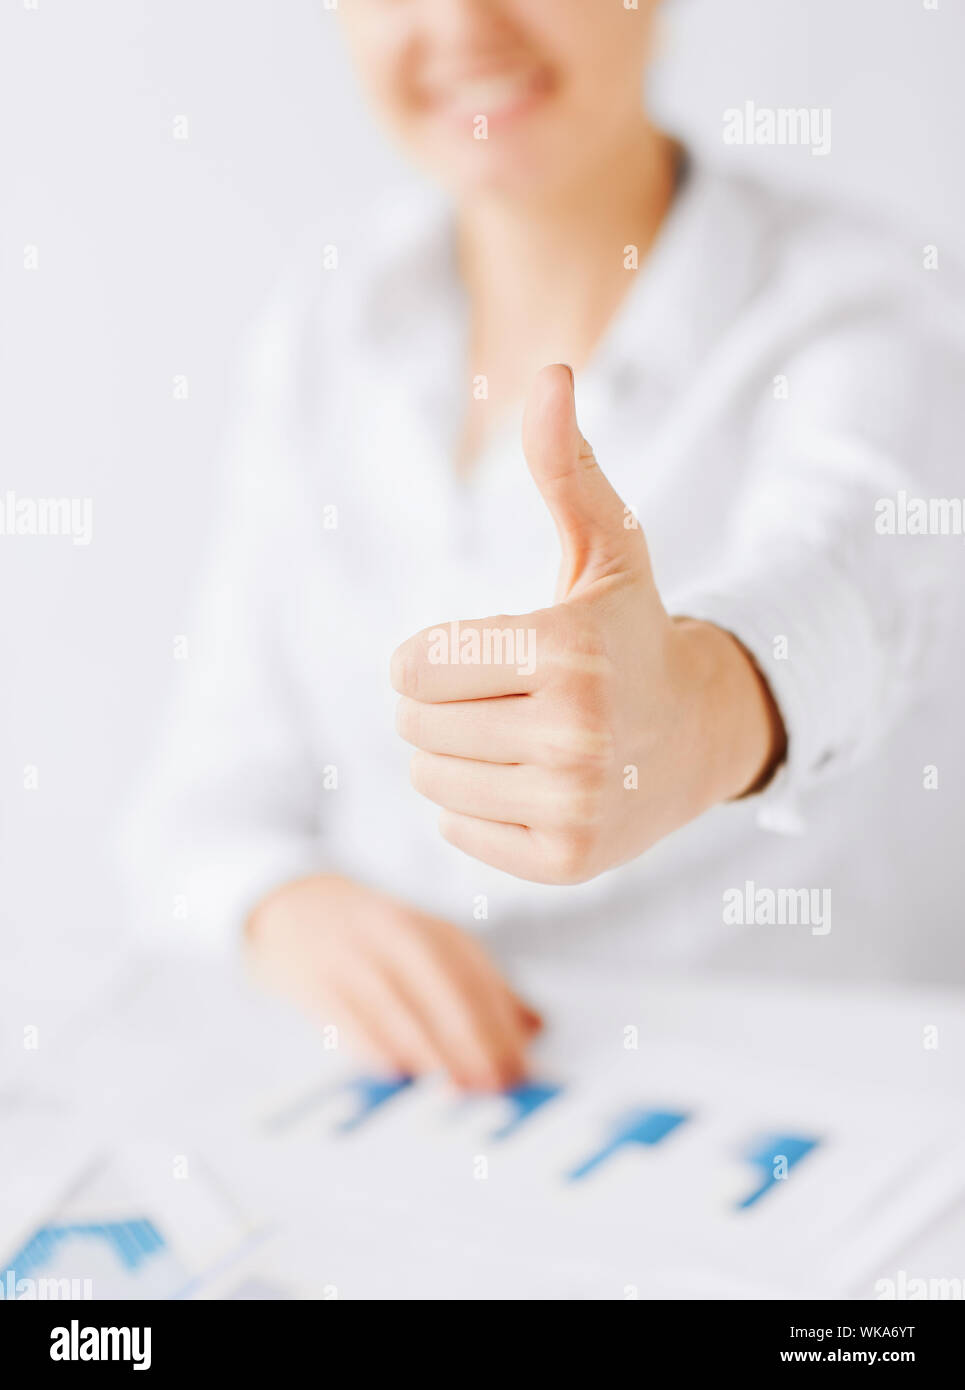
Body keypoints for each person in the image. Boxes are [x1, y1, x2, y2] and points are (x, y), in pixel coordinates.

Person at [124, 0, 963, 1091]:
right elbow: (196, 806)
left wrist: (700, 710)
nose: (462, 24)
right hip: (408, 1117)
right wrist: (286, 907)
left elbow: (850, 574)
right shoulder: (327, 325)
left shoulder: (871, 309)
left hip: (786, 1125)